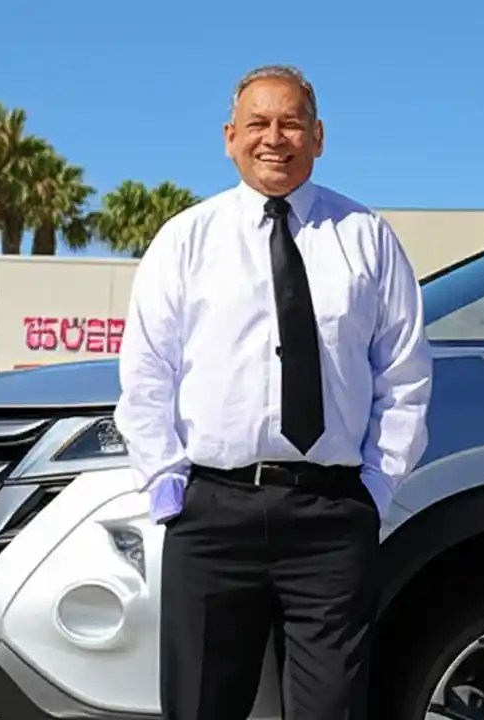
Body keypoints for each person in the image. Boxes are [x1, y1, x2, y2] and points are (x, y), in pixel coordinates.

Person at [113, 64, 433, 720]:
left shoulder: (367, 239)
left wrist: (374, 492)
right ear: (230, 137)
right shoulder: (185, 241)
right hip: (211, 517)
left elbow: (404, 377)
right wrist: (169, 489)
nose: (274, 138)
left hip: (330, 521)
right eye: (258, 123)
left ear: (319, 137)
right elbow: (147, 375)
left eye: (291, 123)